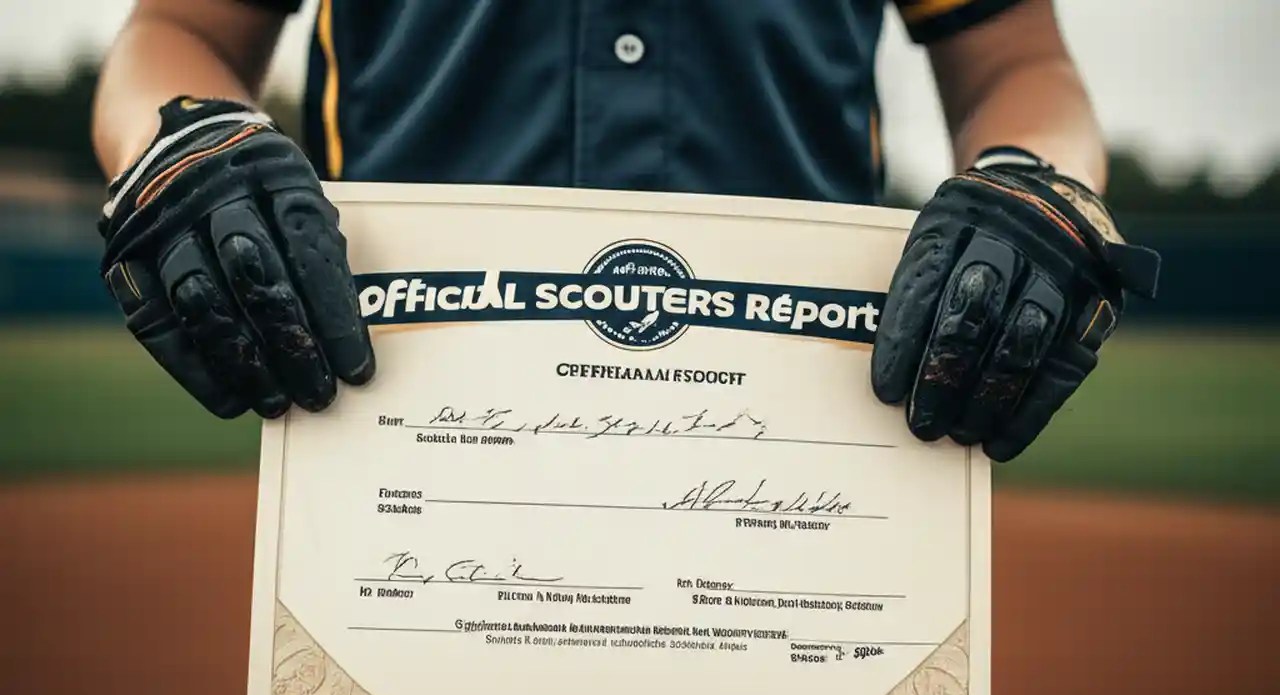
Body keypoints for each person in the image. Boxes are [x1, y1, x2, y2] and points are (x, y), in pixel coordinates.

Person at [91, 0, 1158, 461]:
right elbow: (177, 29)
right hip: (397, 420)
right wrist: (181, 144)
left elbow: (1019, 64)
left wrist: (1035, 180)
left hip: (810, 441)